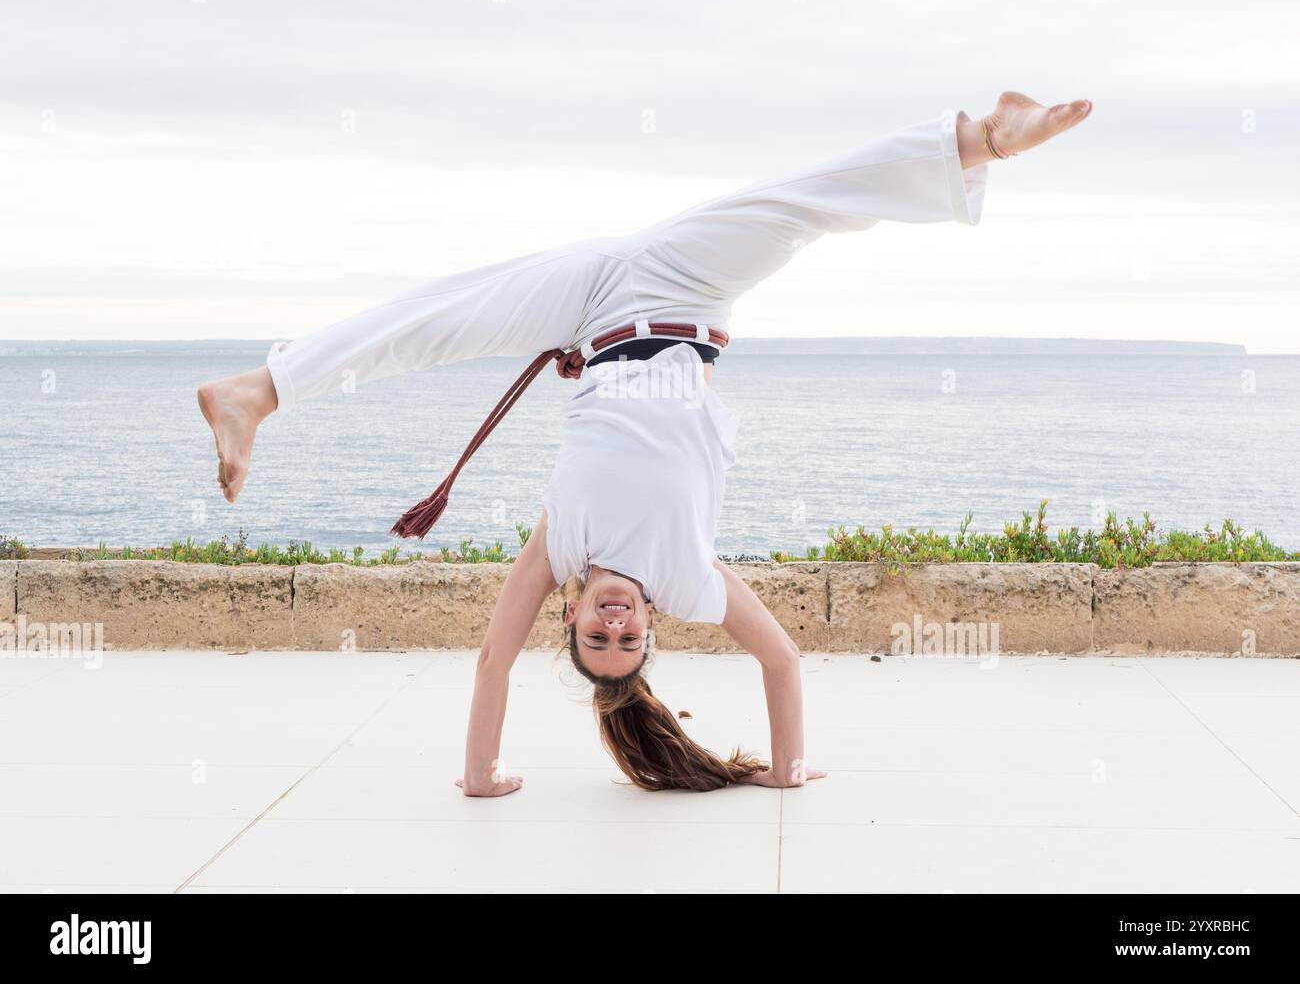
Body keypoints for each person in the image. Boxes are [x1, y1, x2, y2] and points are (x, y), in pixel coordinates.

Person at [198, 92, 1092, 795]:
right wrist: (785, 768)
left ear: (575, 616)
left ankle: (262, 388)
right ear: (655, 623)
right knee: (798, 209)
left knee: (445, 315)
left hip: (588, 304)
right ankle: (985, 139)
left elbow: (491, 662)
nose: (616, 627)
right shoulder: (688, 574)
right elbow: (780, 658)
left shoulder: (561, 546)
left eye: (599, 636)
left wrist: (478, 778)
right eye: (628, 642)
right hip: (686, 289)